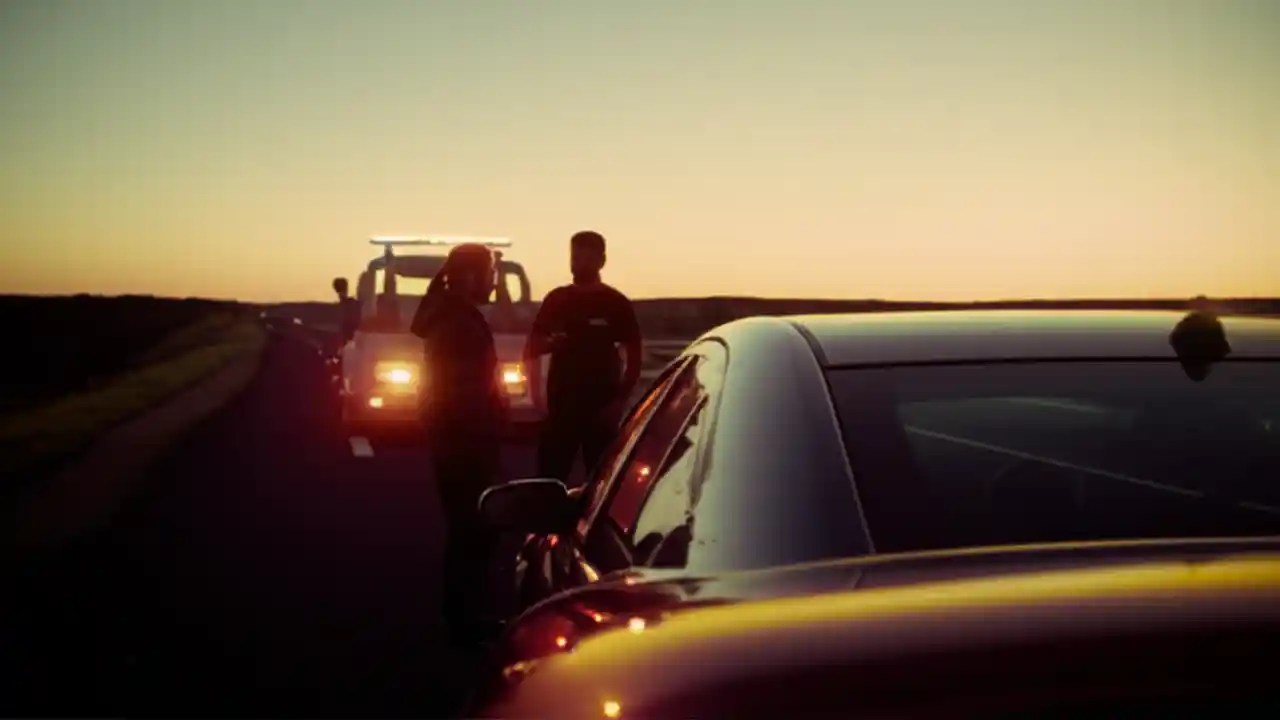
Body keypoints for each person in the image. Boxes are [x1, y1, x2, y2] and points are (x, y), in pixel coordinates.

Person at [410, 243, 507, 643]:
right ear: (470, 277)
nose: (493, 281)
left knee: (468, 529)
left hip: (456, 439)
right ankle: (466, 624)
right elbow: (462, 392)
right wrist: (487, 428)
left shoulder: (447, 314)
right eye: (488, 273)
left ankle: (462, 616)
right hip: (465, 441)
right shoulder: (456, 323)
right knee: (473, 528)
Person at [525, 230, 642, 484]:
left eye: (587, 258)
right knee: (548, 480)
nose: (579, 263)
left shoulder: (615, 303)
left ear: (602, 261)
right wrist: (538, 401)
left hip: (601, 409)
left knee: (602, 482)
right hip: (560, 407)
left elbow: (635, 357)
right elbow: (532, 347)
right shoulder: (557, 299)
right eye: (575, 257)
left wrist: (619, 402)